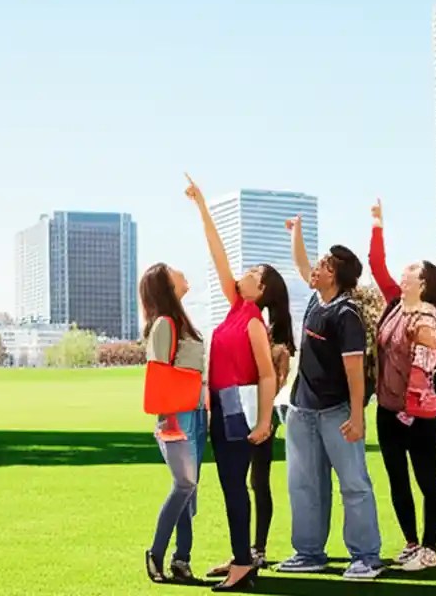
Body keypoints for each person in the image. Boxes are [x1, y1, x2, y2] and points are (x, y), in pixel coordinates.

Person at [186, 174, 290, 593]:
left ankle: (244, 565)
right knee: (230, 486)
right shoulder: (235, 309)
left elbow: (267, 375)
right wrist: (203, 207)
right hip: (222, 407)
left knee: (235, 486)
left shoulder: (251, 323)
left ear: (260, 288)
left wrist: (264, 422)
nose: (240, 274)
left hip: (239, 415)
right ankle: (241, 556)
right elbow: (218, 257)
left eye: (250, 273)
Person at [277, 217, 383, 580]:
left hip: (336, 412)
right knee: (304, 485)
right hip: (302, 410)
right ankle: (308, 553)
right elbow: (300, 265)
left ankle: (367, 556)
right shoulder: (316, 300)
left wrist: (357, 415)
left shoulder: (345, 314)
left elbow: (355, 372)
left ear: (335, 275)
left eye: (323, 265)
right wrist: (296, 233)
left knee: (353, 484)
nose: (315, 269)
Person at [368, 198, 436, 571]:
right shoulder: (396, 305)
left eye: (409, 275)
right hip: (387, 409)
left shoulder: (427, 318)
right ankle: (411, 543)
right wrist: (378, 225)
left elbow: (424, 372)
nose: (402, 278)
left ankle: (429, 548)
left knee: (426, 477)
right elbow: (377, 266)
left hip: (417, 414)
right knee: (397, 479)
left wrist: (408, 412)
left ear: (424, 283)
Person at [140, 263, 208, 585]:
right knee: (184, 485)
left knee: (188, 493)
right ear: (166, 284)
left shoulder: (181, 319)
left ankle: (182, 561)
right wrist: (168, 421)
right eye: (174, 271)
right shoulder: (165, 323)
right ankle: (156, 553)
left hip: (195, 413)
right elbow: (160, 376)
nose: (182, 272)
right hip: (177, 415)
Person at [207, 341, 292, 577]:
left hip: (258, 415)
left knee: (257, 482)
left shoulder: (273, 343)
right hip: (240, 411)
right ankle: (244, 553)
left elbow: (277, 379)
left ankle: (256, 551)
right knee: (243, 484)